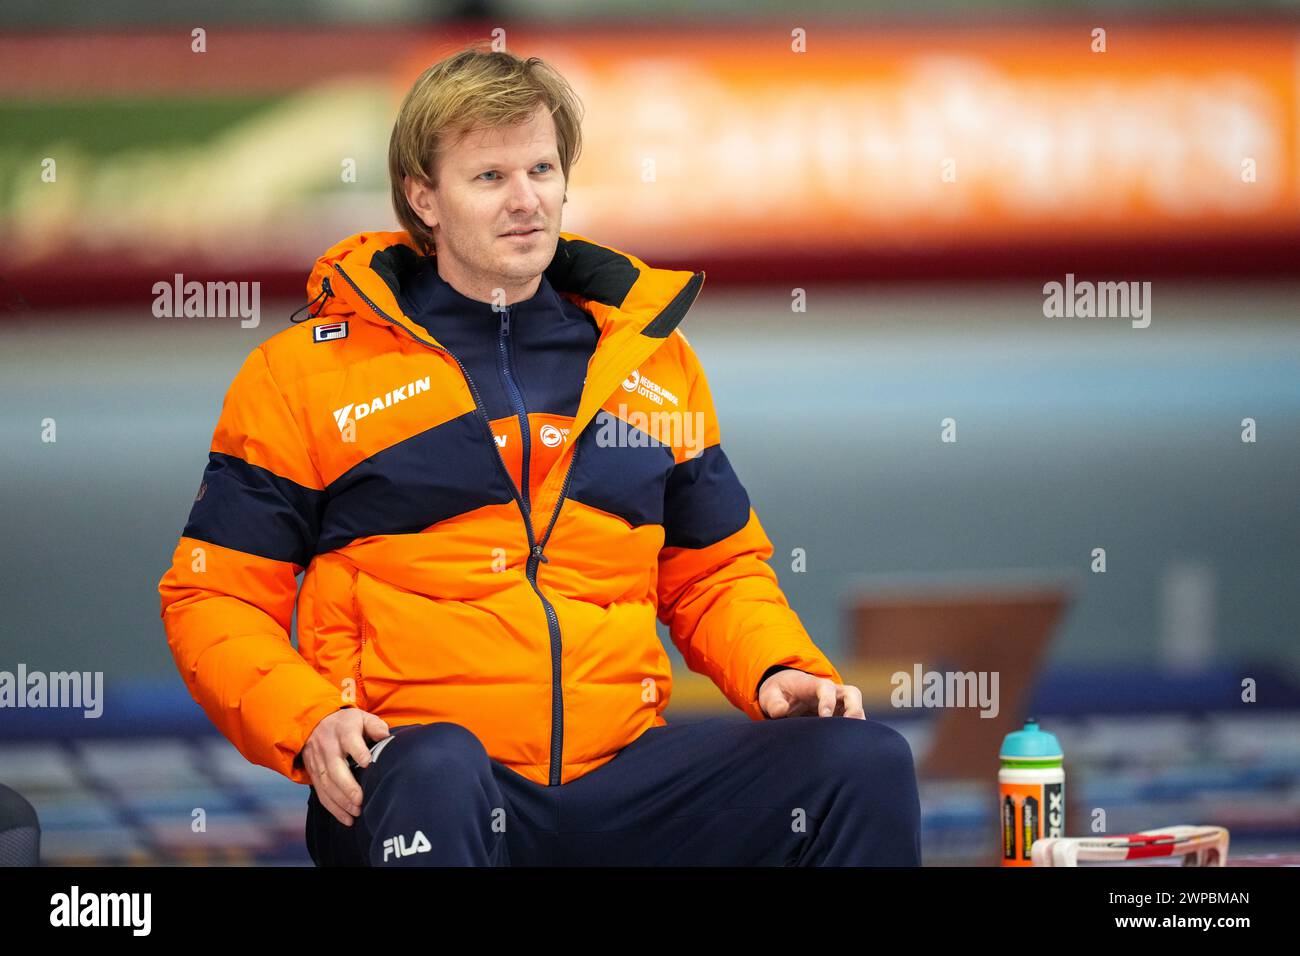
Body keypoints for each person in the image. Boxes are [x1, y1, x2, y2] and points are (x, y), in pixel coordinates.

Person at [158, 43, 921, 866]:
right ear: (425, 198)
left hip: (621, 780)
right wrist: (308, 720)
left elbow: (714, 574)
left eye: (543, 170)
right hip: (419, 777)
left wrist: (777, 668)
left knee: (862, 763)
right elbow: (212, 598)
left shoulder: (649, 363)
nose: (526, 201)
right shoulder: (305, 373)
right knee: (439, 763)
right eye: (490, 177)